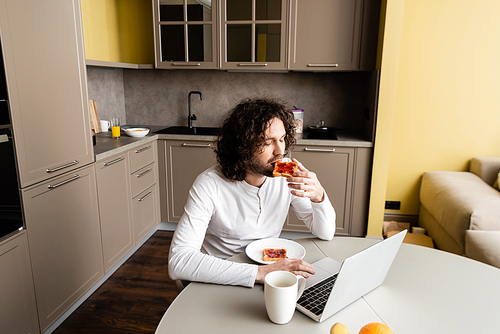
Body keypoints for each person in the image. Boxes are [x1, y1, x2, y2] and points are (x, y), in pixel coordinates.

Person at [168, 98, 336, 288]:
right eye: (267, 142)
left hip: (268, 272)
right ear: (242, 146)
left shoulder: (286, 177)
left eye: (281, 139)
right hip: (220, 277)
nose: (280, 151)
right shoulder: (209, 184)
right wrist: (260, 273)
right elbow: (178, 262)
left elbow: (325, 233)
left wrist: (319, 197)